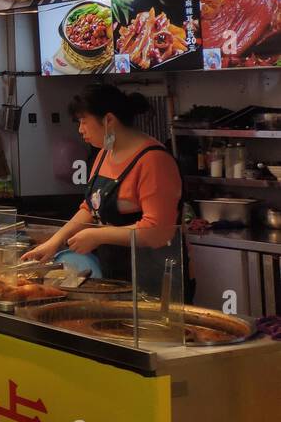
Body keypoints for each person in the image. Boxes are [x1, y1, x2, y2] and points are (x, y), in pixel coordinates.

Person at [22, 85, 185, 294]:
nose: (80, 129)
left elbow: (158, 231)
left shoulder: (153, 160)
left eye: (83, 121)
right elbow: (90, 208)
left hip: (155, 278)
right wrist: (54, 242)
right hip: (116, 275)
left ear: (109, 120)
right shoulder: (104, 154)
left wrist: (99, 236)